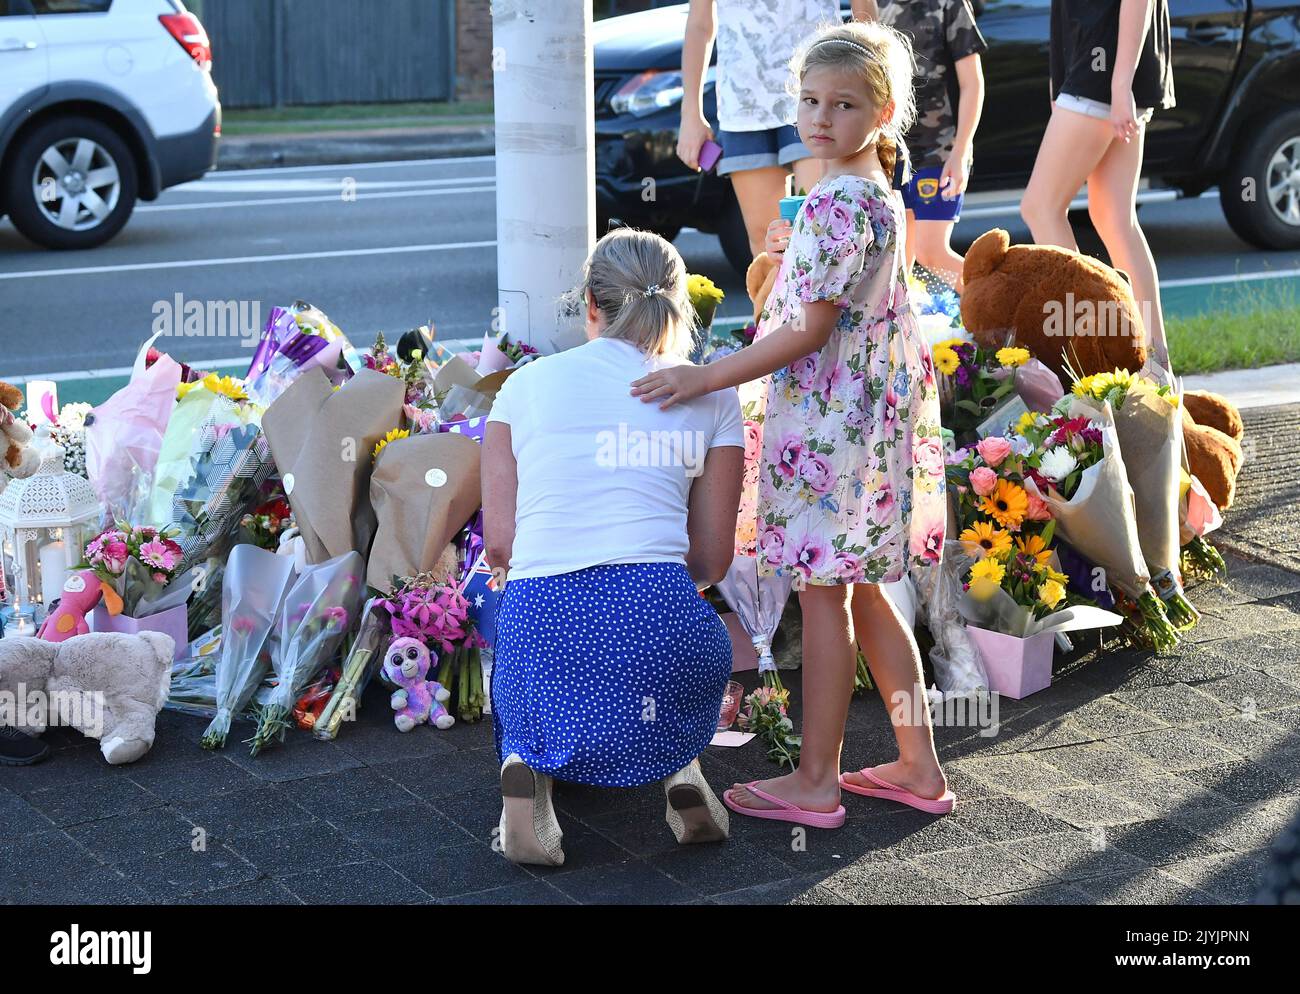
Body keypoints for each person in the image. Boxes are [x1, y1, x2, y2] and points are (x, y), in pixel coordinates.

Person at [632, 20, 954, 828]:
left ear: (882, 114)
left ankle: (817, 782)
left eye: (843, 104)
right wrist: (781, 263)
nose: (819, 117)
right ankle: (918, 764)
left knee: (823, 598)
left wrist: (704, 374)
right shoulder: (868, 193)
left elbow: (805, 332)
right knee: (868, 595)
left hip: (828, 433)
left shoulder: (839, 202)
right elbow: (827, 307)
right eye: (810, 99)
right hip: (862, 424)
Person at [481, 227, 746, 866]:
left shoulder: (523, 386)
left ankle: (528, 770)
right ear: (679, 303)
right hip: (661, 621)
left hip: (546, 622)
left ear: (590, 306)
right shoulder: (711, 392)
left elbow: (501, 542)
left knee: (522, 657)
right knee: (679, 653)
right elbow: (713, 560)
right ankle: (681, 765)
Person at [1020, 0, 1175, 371]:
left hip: (1102, 77)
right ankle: (1154, 362)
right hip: (1099, 73)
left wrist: (1120, 82)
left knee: (1041, 208)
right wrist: (1060, 81)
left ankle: (1092, 350)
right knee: (1114, 218)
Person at [677, 0, 881, 261]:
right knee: (767, 244)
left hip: (819, 94)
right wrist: (690, 113)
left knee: (825, 225)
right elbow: (699, 24)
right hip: (742, 103)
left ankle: (831, 302)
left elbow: (863, 7)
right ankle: (777, 303)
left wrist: (867, 86)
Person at [875, 0, 986, 291]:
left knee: (931, 252)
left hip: (940, 150)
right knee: (898, 268)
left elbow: (972, 83)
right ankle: (911, 335)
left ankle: (998, 308)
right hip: (891, 153)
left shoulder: (947, 4)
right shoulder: (872, 5)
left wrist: (961, 151)